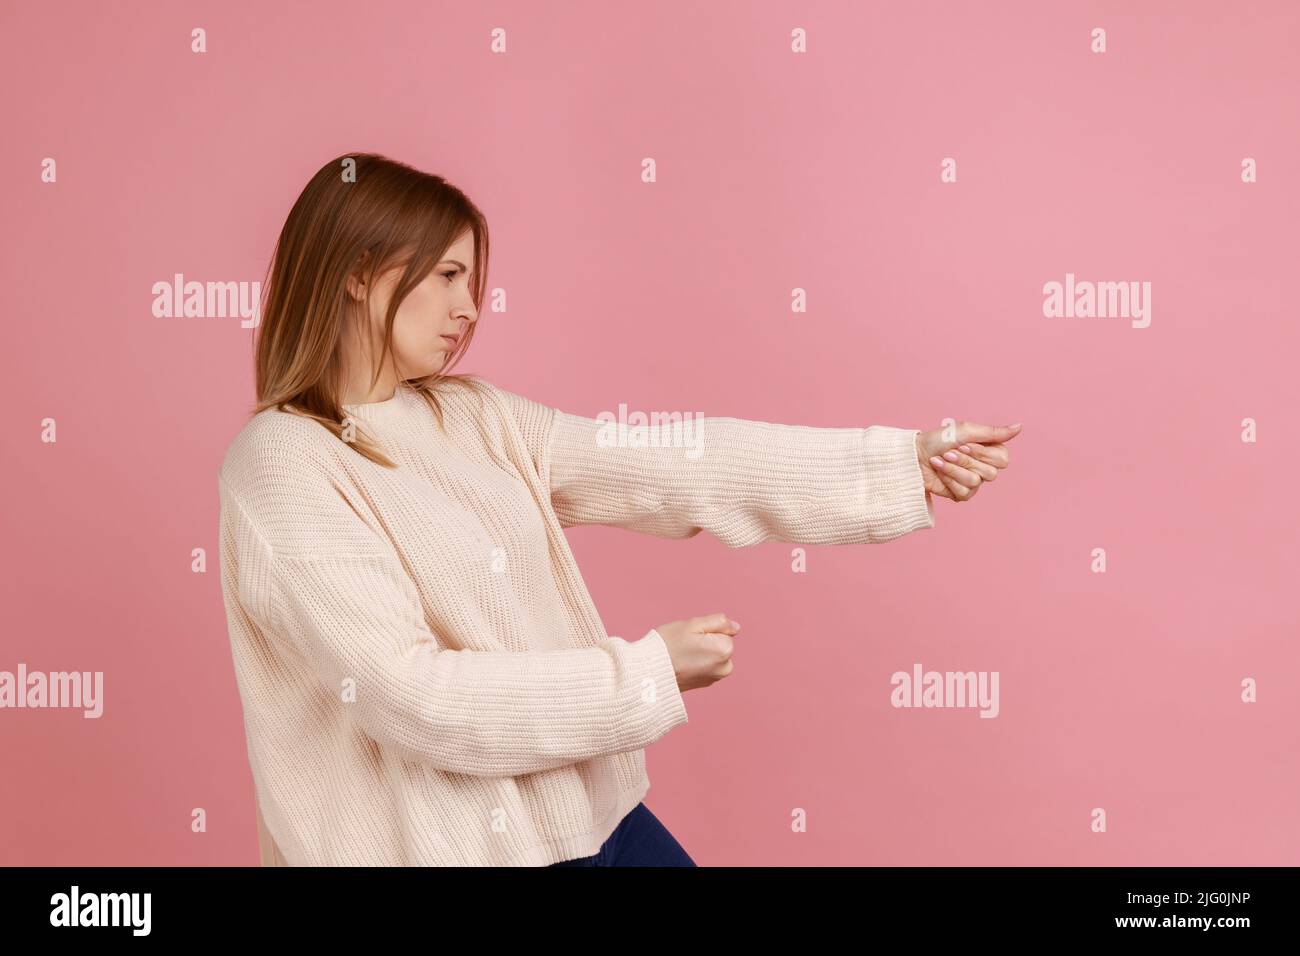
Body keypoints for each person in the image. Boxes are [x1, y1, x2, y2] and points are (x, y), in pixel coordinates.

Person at [217, 152, 1021, 867]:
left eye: (474, 280)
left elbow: (676, 462)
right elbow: (412, 699)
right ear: (358, 273)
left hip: (598, 823)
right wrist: (645, 677)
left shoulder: (475, 417)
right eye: (446, 276)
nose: (470, 306)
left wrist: (898, 462)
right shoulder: (283, 465)